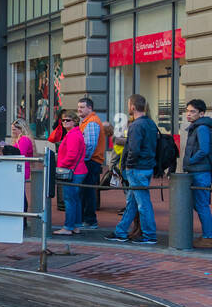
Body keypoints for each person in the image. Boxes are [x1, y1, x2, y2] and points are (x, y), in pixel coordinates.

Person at [105, 94, 158, 245]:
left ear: (133, 107)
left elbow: (133, 149)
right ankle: (120, 231)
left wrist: (128, 166)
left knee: (142, 203)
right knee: (133, 202)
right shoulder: (150, 123)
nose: (128, 107)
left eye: (129, 105)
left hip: (137, 168)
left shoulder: (136, 125)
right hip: (146, 166)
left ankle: (149, 235)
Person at [182, 99, 212, 249]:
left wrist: (190, 161)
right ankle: (206, 236)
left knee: (202, 205)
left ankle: (208, 237)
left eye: (192, 111)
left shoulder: (201, 128)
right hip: (197, 171)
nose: (188, 114)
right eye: (187, 111)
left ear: (201, 113)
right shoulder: (196, 127)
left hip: (200, 172)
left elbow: (204, 150)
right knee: (199, 205)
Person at [53, 112, 87, 235]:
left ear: (74, 121)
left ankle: (68, 227)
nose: (65, 122)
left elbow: (71, 156)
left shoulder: (73, 135)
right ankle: (76, 226)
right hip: (78, 170)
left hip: (73, 171)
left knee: (70, 200)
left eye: (68, 120)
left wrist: (60, 166)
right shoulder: (75, 133)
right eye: (63, 120)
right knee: (75, 199)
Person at [76, 96, 107, 231]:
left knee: (88, 192)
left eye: (82, 107)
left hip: (91, 161)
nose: (79, 110)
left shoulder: (92, 122)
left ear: (90, 108)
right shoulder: (85, 122)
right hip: (89, 161)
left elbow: (90, 145)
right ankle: (86, 219)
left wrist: (83, 160)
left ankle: (90, 220)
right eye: (78, 107)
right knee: (86, 191)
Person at [11, 118, 34, 213]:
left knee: (20, 194)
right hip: (21, 168)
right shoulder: (21, 139)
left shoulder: (23, 139)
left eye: (14, 129)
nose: (13, 132)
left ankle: (23, 217)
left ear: (21, 129)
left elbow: (21, 154)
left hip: (21, 169)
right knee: (20, 194)